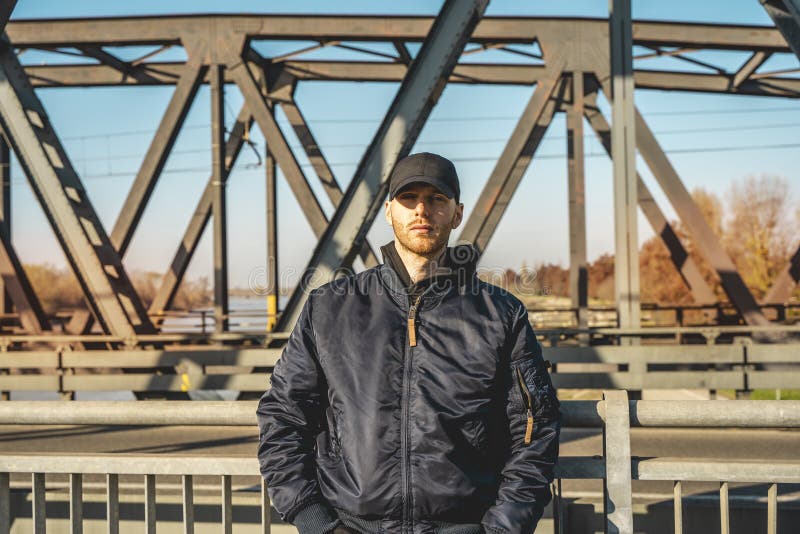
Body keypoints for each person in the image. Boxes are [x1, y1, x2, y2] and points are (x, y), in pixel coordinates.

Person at [257, 152, 560, 534]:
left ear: (457, 213)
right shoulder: (329, 308)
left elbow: (535, 431)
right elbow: (283, 418)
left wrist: (501, 529)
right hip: (351, 527)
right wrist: (314, 520)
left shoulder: (500, 315)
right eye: (408, 198)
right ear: (389, 211)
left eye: (436, 199)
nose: (422, 210)